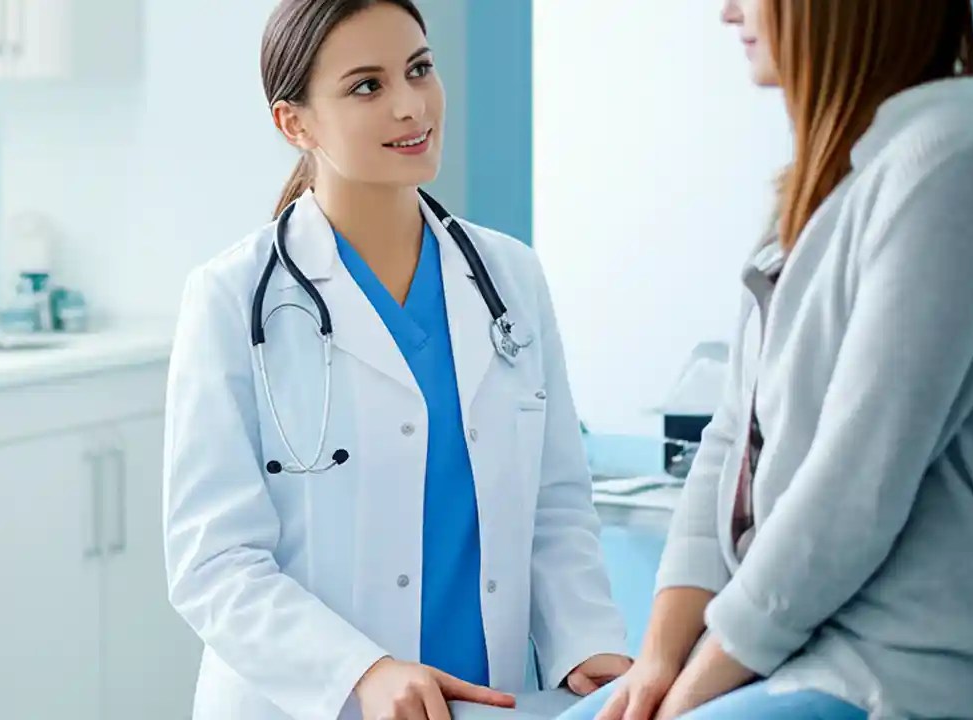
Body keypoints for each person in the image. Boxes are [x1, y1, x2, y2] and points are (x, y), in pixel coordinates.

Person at [162, 2, 632, 719]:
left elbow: (555, 506)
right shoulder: (231, 298)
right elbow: (214, 563)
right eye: (366, 86)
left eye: (419, 69)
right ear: (295, 124)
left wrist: (587, 642)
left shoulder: (509, 277)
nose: (411, 106)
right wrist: (362, 670)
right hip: (317, 702)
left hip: (487, 697)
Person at [560, 1, 973, 719]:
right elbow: (729, 442)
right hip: (792, 650)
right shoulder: (822, 179)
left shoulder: (953, 158)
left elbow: (851, 491)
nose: (728, 11)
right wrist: (657, 665)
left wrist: (692, 691)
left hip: (898, 669)